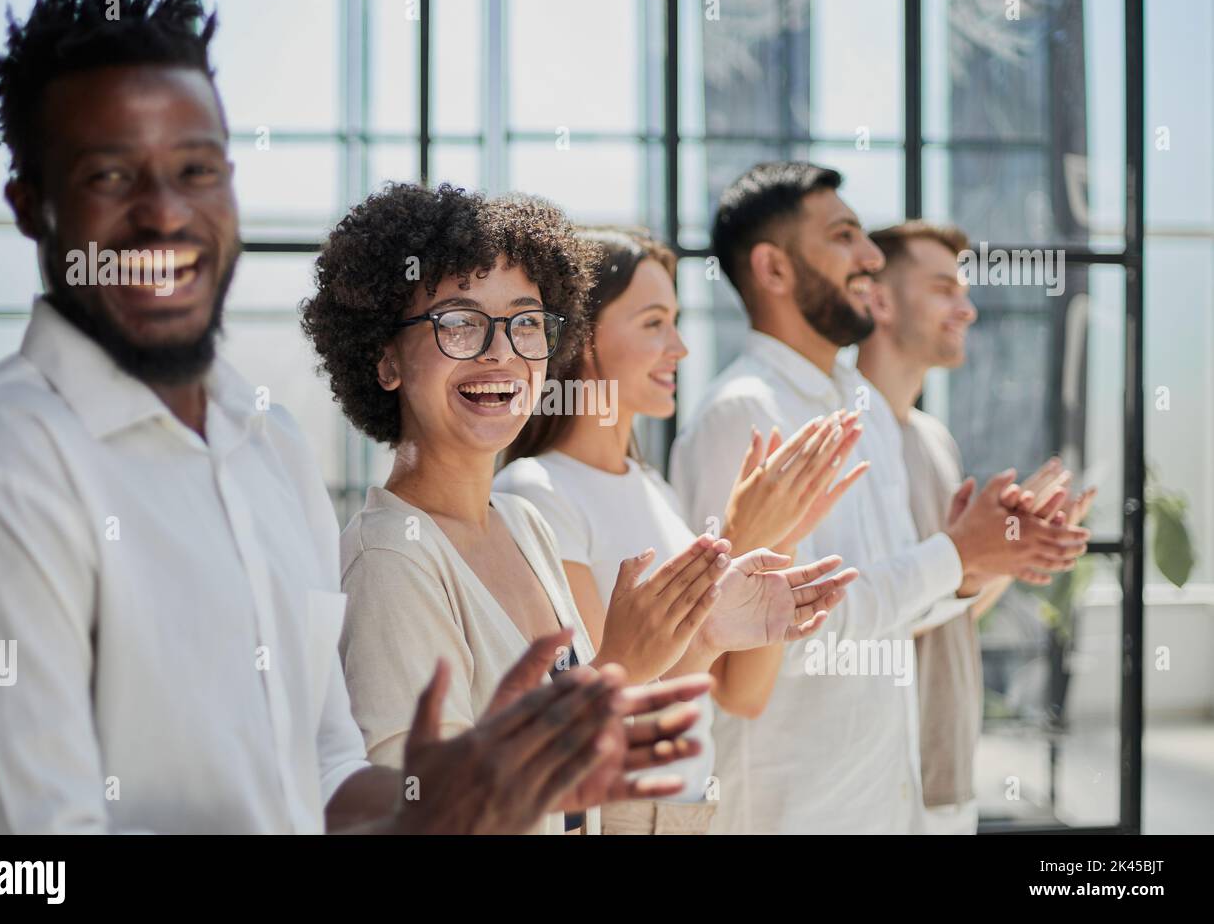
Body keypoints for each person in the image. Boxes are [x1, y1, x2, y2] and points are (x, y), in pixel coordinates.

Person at [0, 0, 706, 835]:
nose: (164, 214)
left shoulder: (267, 443)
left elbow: (324, 767)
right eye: (110, 175)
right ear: (32, 207)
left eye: (196, 169)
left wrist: (433, 804)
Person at [301, 184, 854, 834]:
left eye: (526, 321)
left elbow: (589, 792)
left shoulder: (521, 525)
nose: (501, 351)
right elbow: (427, 815)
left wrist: (698, 637)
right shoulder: (392, 560)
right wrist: (619, 667)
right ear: (385, 358)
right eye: (458, 321)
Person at [670, 162, 1092, 834]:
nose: (869, 257)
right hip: (791, 814)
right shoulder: (742, 416)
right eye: (844, 238)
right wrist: (953, 554)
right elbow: (770, 636)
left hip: (885, 805)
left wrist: (979, 563)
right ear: (774, 271)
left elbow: (888, 610)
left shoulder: (862, 412)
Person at [495, 228, 861, 833]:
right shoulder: (537, 492)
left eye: (677, 321)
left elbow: (735, 694)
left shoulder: (655, 490)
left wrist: (775, 539)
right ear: (583, 336)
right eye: (654, 323)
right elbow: (610, 705)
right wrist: (741, 535)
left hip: (686, 813)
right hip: (617, 814)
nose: (681, 348)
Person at [858, 220, 1096, 833]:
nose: (965, 309)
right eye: (943, 289)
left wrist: (1010, 554)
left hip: (945, 767)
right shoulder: (842, 436)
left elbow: (953, 607)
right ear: (879, 300)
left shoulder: (934, 440)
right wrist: (972, 559)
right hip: (874, 779)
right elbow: (852, 620)